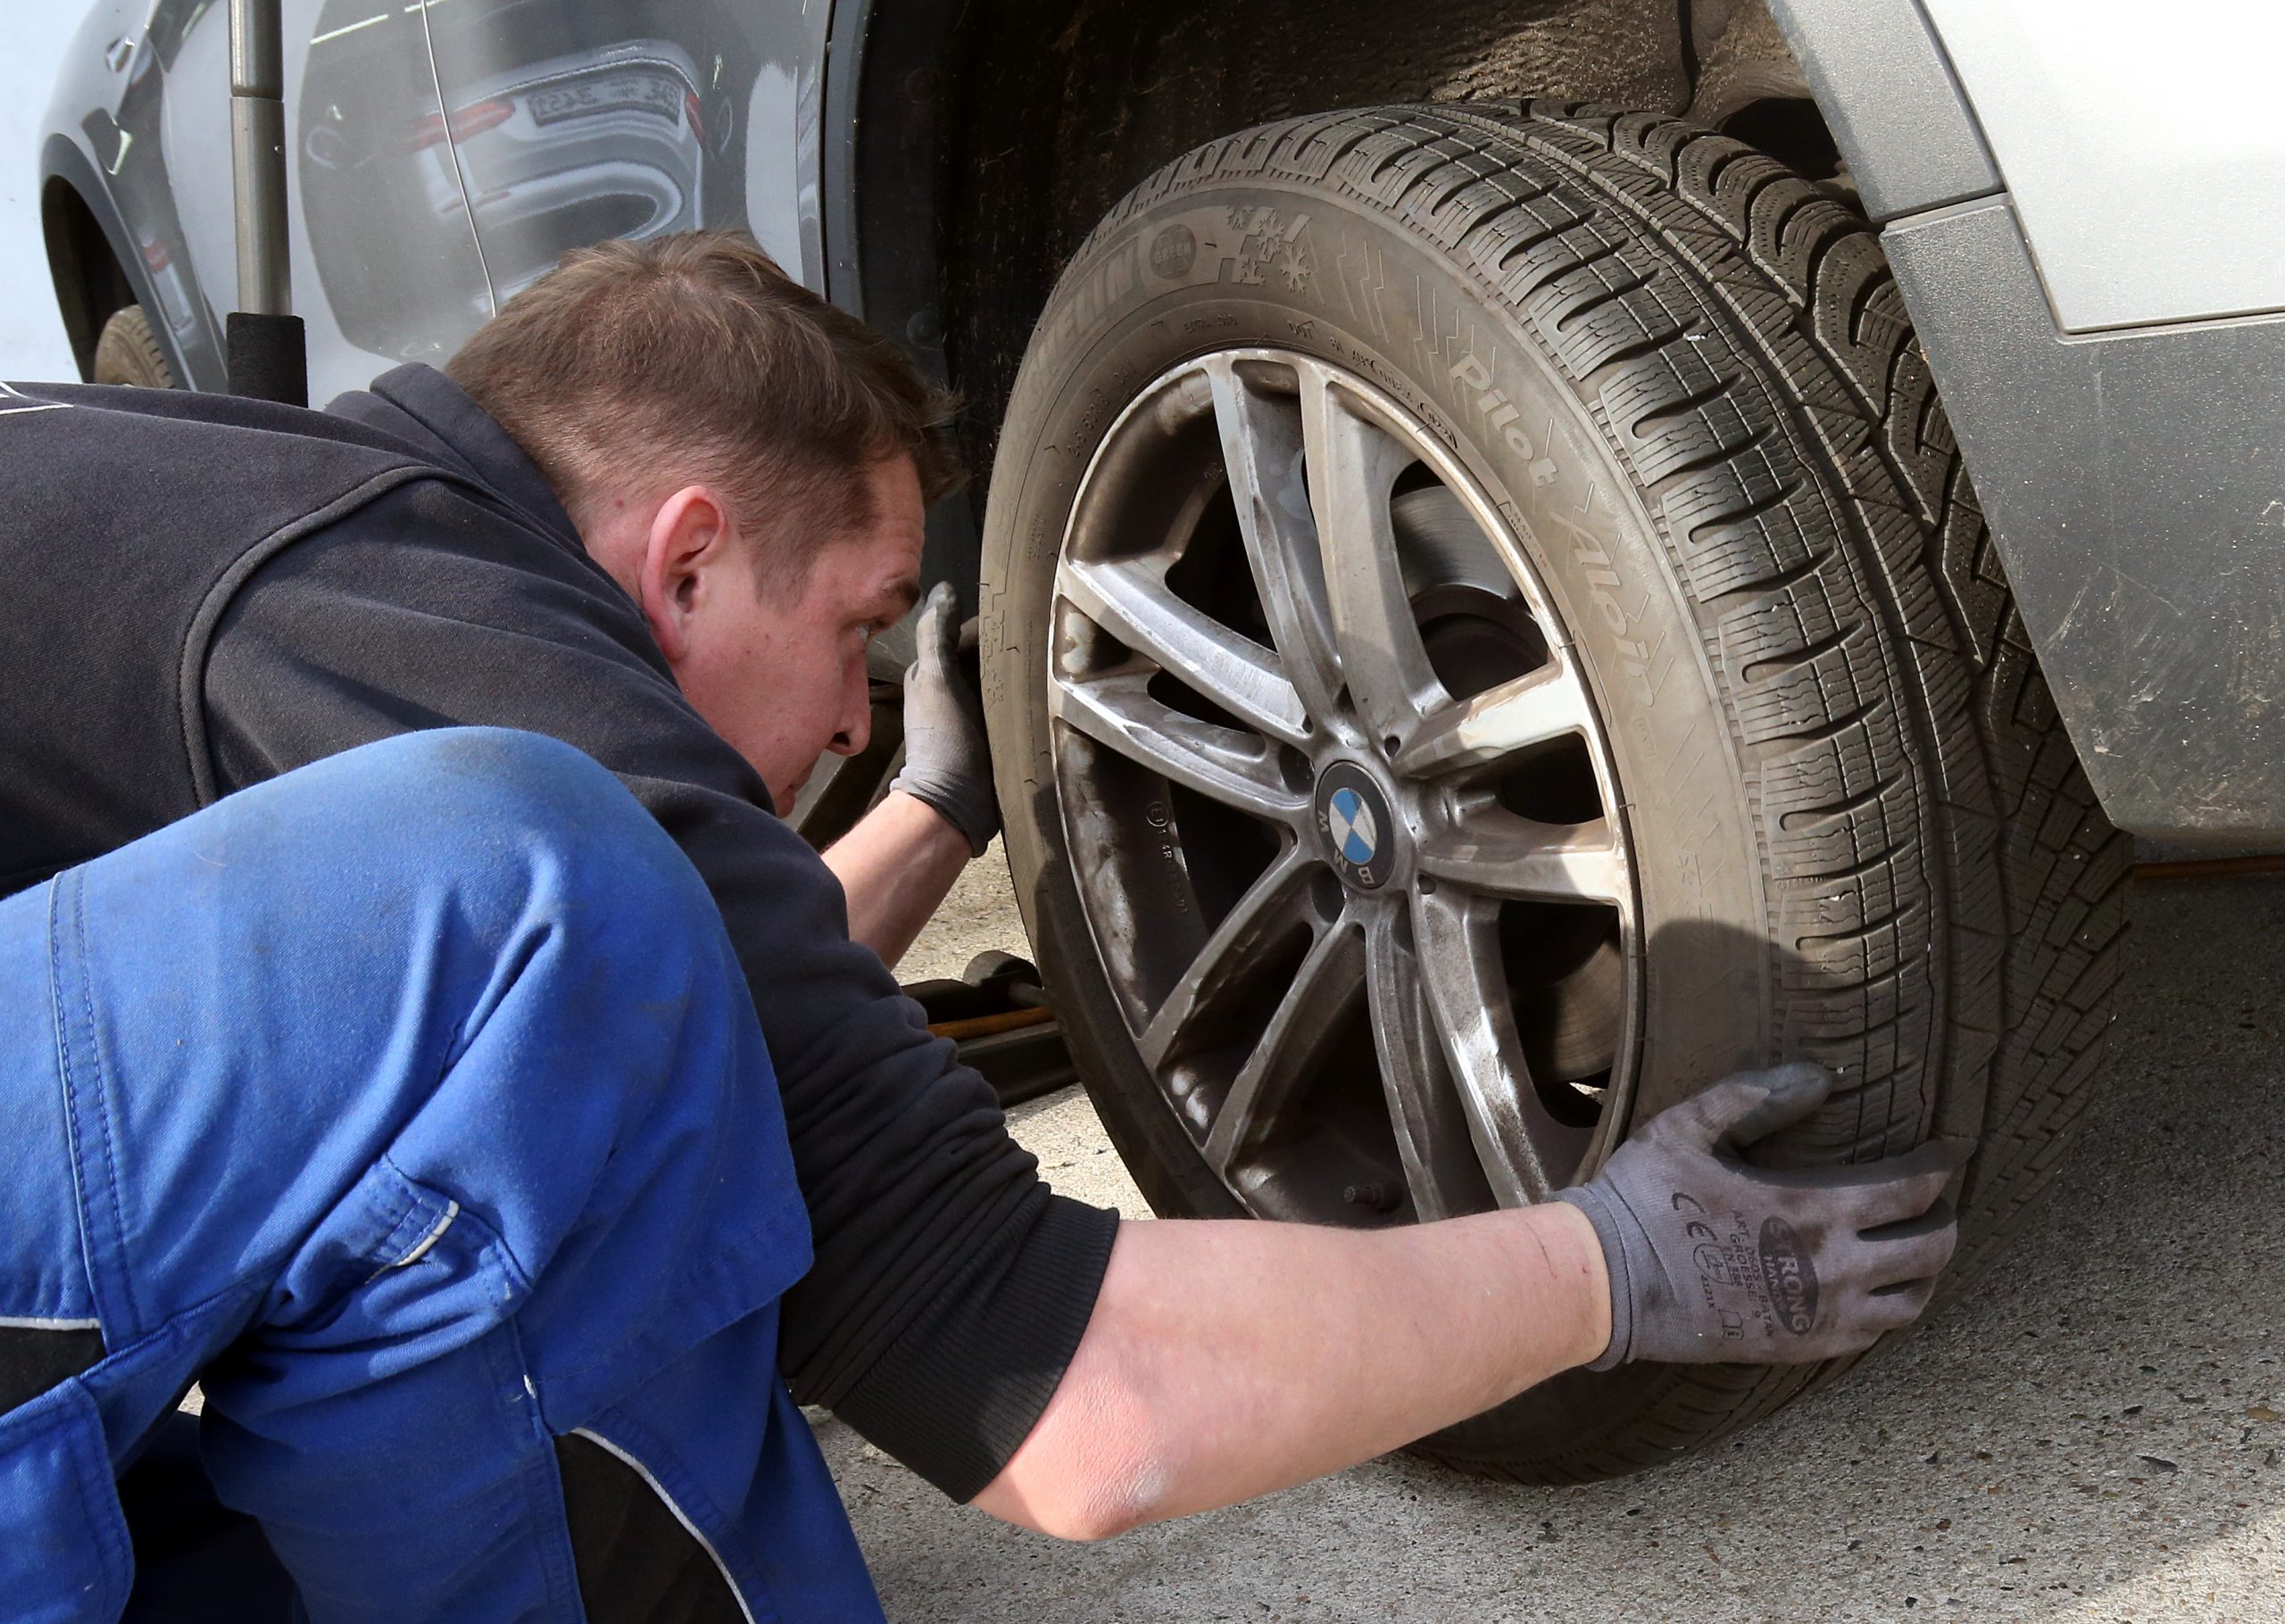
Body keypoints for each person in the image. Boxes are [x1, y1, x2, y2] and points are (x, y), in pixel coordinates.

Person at [0, 234, 1960, 1620]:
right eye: (857, 628)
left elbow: (662, 1062)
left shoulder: (277, 532)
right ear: (684, 555)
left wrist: (937, 813)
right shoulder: (444, 649)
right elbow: (1066, 1401)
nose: (859, 714)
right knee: (518, 887)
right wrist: (1607, 1267)